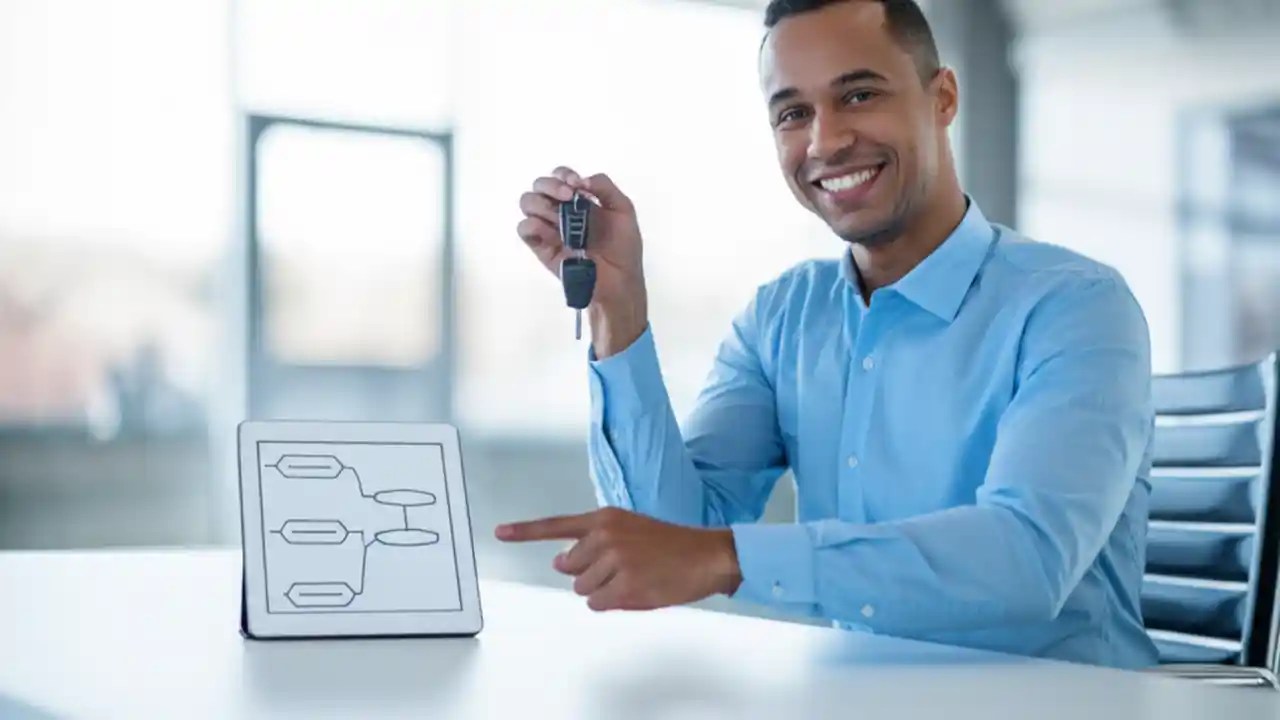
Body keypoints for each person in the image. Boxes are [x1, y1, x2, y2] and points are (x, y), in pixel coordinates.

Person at [497, 0, 1159, 669]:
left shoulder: (1075, 306)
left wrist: (727, 559)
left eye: (859, 94)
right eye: (793, 113)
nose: (825, 141)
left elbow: (1027, 557)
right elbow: (673, 536)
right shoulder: (783, 317)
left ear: (944, 98)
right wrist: (617, 309)